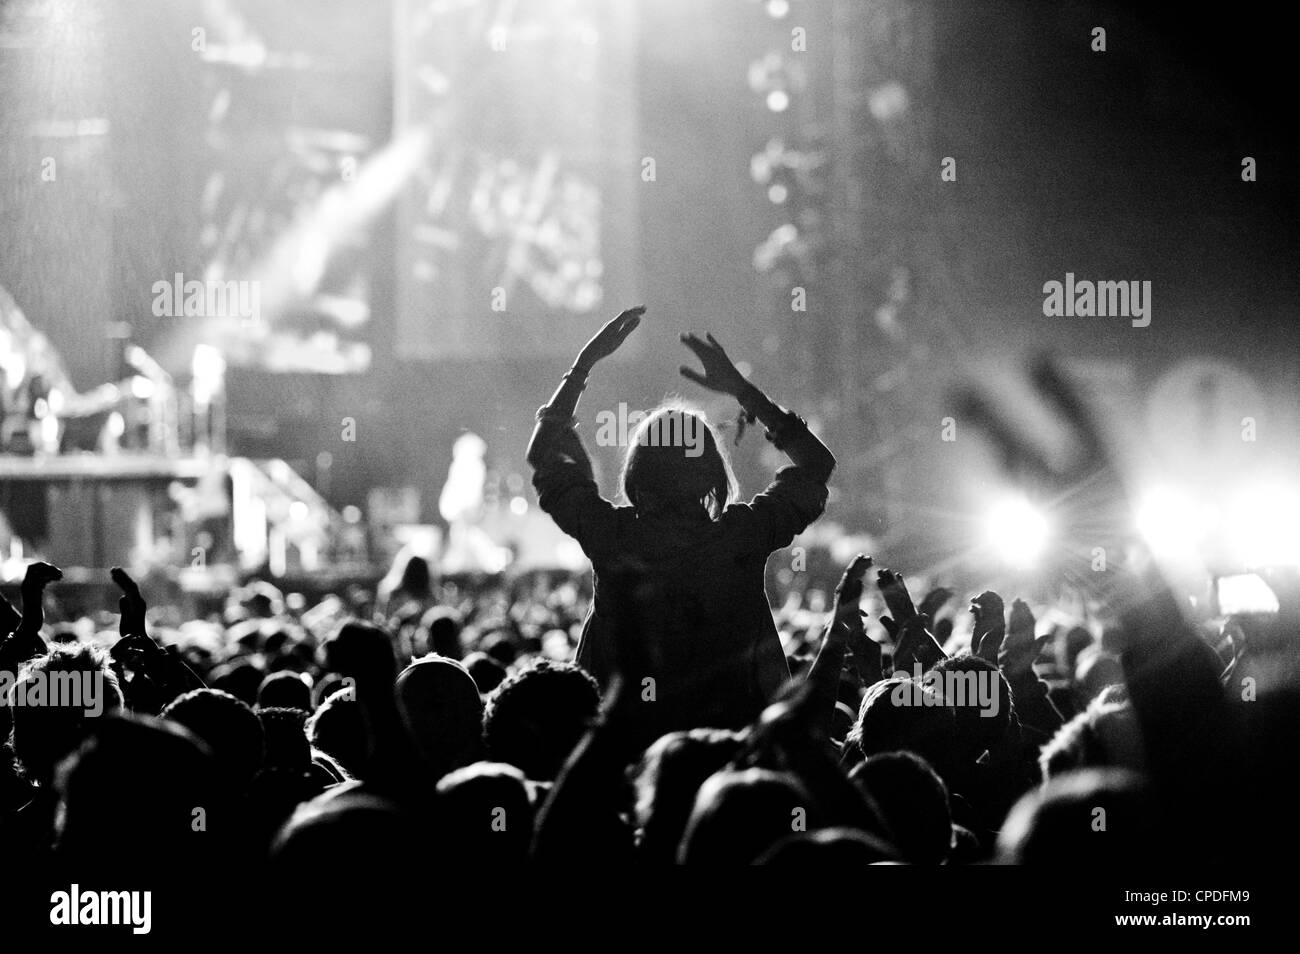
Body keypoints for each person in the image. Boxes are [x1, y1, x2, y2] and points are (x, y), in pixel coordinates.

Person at [527, 306, 836, 741]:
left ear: (637, 472)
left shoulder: (612, 537)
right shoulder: (743, 535)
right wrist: (744, 392)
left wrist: (583, 366)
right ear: (712, 471)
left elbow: (543, 456)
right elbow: (817, 463)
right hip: (729, 756)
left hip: (627, 758)